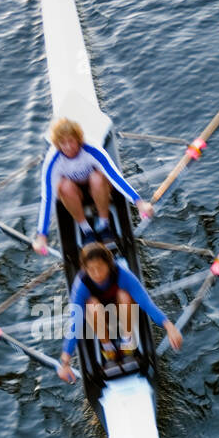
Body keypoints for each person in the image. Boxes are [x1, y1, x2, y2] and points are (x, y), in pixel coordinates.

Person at [57, 242, 182, 383]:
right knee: (91, 305)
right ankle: (108, 350)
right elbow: (75, 323)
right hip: (97, 315)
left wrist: (169, 326)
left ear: (109, 264)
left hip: (119, 308)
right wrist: (65, 361)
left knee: (124, 295)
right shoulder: (81, 284)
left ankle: (127, 345)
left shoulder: (122, 273)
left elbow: (146, 303)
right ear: (85, 269)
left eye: (100, 268)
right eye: (91, 270)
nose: (97, 274)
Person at [31, 117, 154, 255]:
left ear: (78, 139)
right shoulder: (52, 160)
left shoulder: (92, 148)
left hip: (97, 188)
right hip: (73, 193)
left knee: (97, 177)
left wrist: (139, 202)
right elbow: (48, 198)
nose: (68, 147)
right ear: (57, 144)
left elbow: (115, 177)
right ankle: (86, 230)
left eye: (71, 141)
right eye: (62, 143)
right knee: (64, 186)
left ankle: (104, 225)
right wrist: (42, 235)